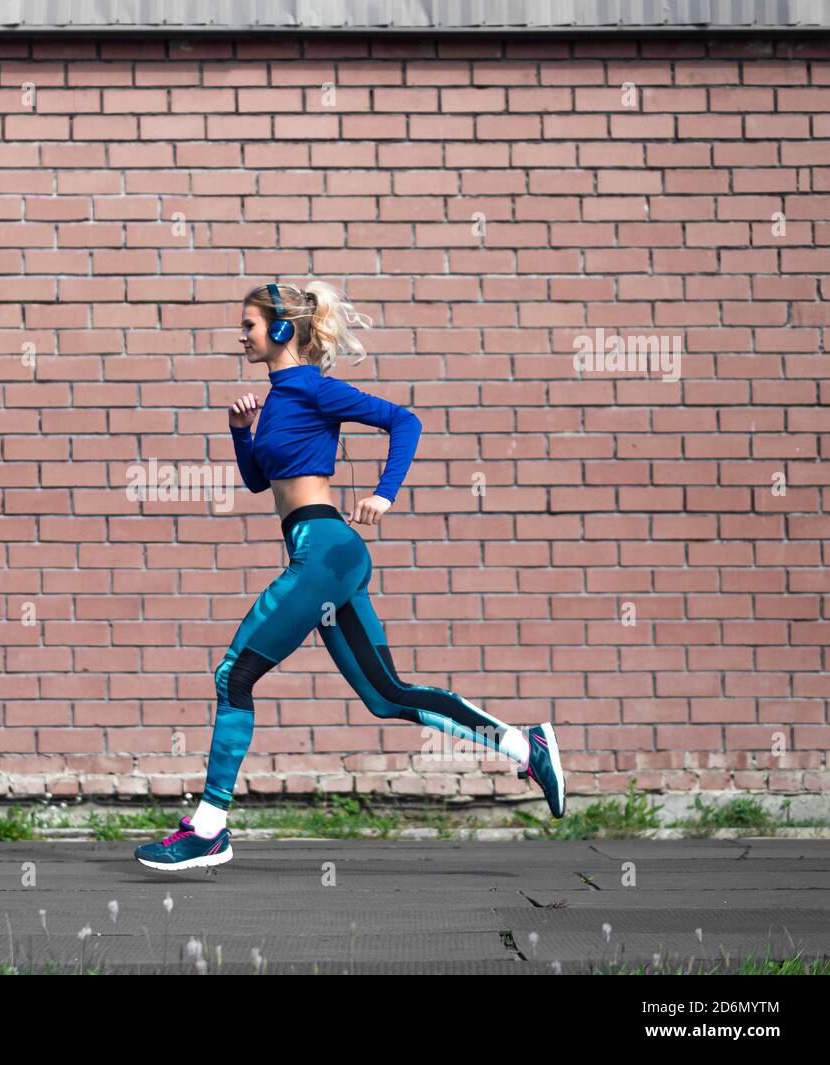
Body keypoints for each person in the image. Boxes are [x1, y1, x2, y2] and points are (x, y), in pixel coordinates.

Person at [135, 281, 565, 872]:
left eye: (250, 326)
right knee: (386, 696)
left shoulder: (311, 387)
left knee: (234, 674)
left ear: (282, 331)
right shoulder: (277, 399)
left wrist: (385, 495)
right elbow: (262, 484)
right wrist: (242, 432)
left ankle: (209, 828)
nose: (241, 336)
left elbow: (403, 421)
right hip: (327, 553)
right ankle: (525, 744)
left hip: (325, 547)